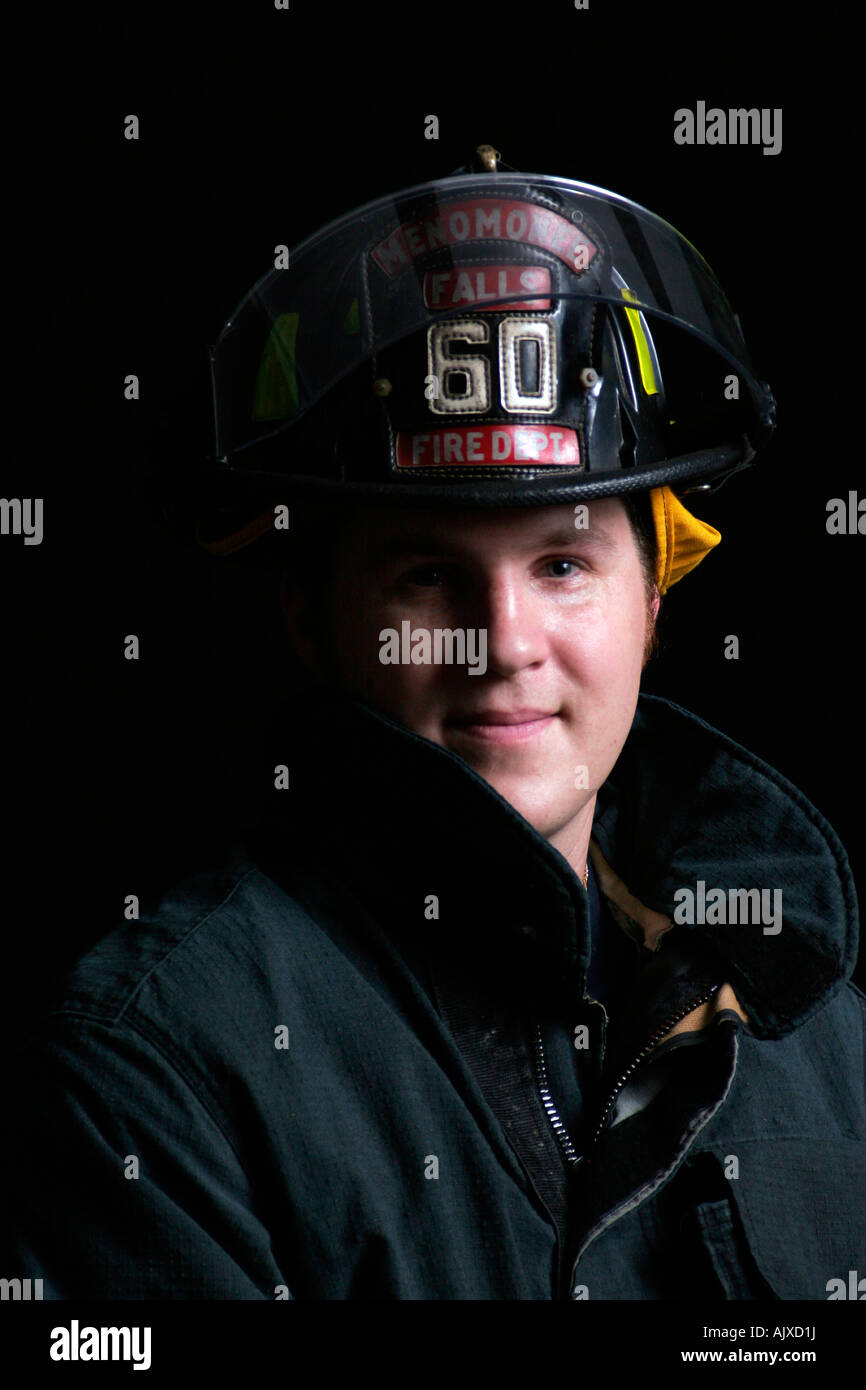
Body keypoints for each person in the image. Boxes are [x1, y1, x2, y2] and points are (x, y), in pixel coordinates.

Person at [4, 148, 864, 1301]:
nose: (501, 641)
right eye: (426, 574)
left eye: (562, 562)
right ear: (312, 617)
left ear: (650, 604)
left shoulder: (813, 1038)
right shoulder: (156, 1066)